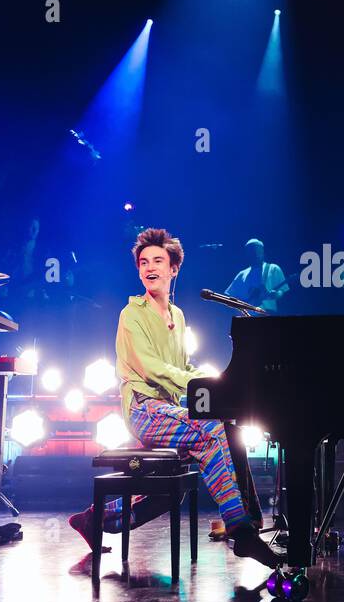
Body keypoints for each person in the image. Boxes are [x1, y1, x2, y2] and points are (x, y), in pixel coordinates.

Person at [67, 227, 279, 568]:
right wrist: (202, 380)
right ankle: (242, 532)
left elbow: (182, 367)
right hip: (143, 409)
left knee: (225, 436)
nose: (150, 267)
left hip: (167, 409)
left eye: (158, 261)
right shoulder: (131, 314)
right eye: (144, 261)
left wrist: (216, 380)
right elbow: (153, 369)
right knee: (212, 433)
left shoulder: (178, 317)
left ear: (173, 269)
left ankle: (94, 518)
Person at [225, 238, 289, 313]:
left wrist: (277, 294)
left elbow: (282, 290)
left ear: (262, 251)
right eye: (251, 251)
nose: (255, 253)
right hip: (246, 314)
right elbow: (231, 295)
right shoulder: (242, 274)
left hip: (267, 313)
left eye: (258, 250)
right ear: (247, 254)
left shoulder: (273, 268)